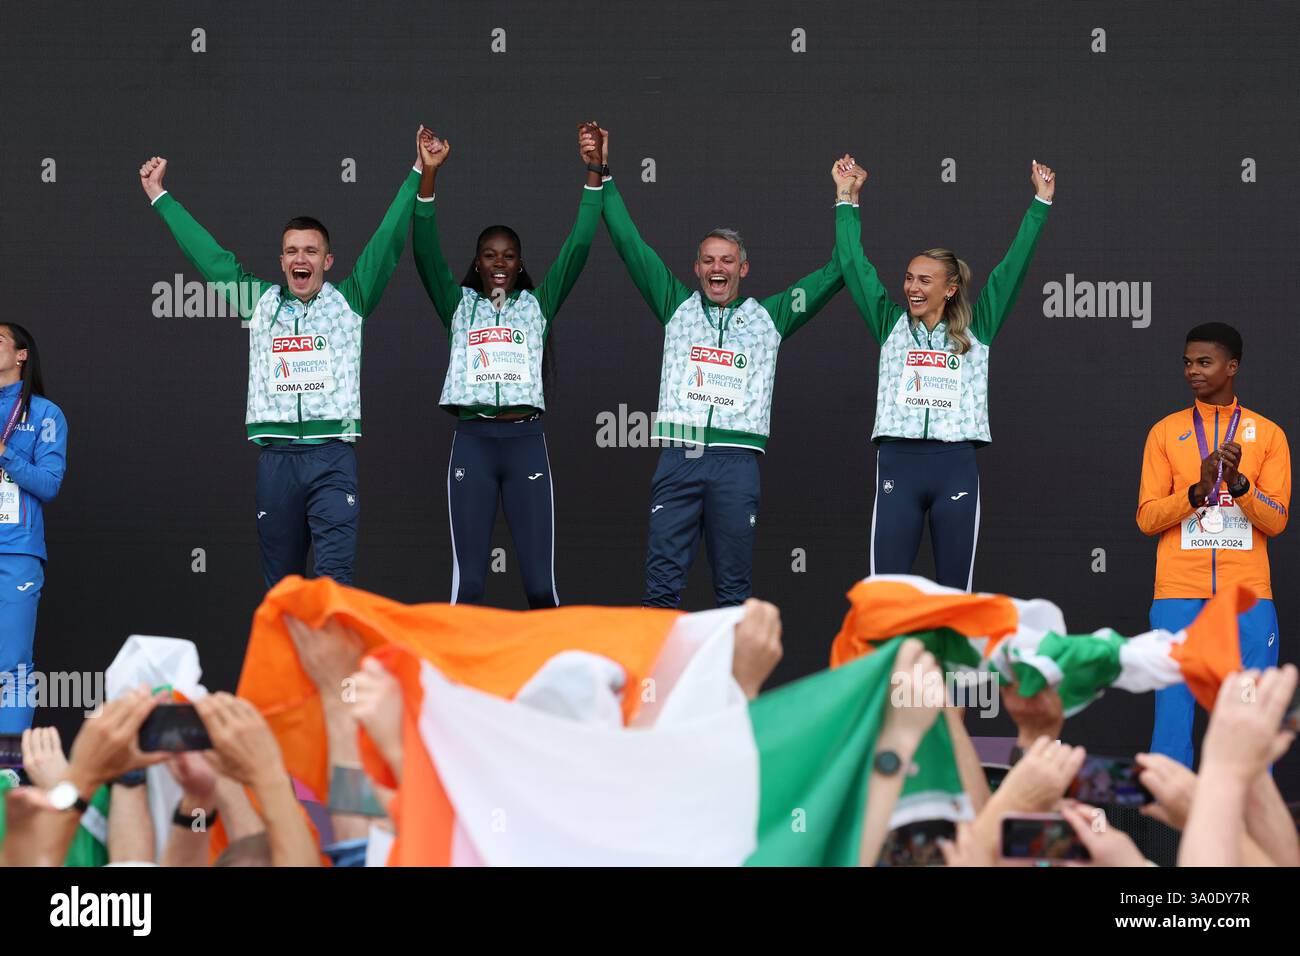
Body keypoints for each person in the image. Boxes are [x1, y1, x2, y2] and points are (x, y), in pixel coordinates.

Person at [138, 133, 424, 589]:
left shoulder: (351, 300)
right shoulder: (259, 302)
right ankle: (291, 663)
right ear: (281, 260)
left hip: (332, 457)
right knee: (282, 591)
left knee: (334, 585)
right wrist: (159, 195)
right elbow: (209, 257)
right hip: (276, 462)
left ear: (327, 260)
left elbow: (388, 239)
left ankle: (333, 663)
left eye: (311, 251)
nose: (300, 258)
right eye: (292, 251)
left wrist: (417, 171)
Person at [581, 124, 844, 608]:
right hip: (679, 458)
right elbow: (629, 243)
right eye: (708, 261)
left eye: (727, 260)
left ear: (744, 269)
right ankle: (659, 686)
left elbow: (837, 272)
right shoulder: (674, 305)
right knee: (660, 592)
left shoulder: (770, 318)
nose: (717, 268)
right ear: (696, 268)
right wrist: (602, 170)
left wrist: (845, 201)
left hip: (736, 463)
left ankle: (731, 688)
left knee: (733, 594)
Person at [833, 156, 1054, 591]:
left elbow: (1014, 267)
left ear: (949, 288)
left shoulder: (979, 327)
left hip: (955, 464)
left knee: (956, 594)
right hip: (899, 461)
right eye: (909, 279)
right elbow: (853, 264)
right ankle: (891, 663)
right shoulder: (889, 324)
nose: (913, 288)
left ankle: (951, 664)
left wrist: (1040, 203)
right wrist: (846, 199)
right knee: (887, 594)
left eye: (925, 281)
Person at [413, 126, 604, 607]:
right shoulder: (456, 305)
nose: (499, 263)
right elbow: (423, 247)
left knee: (541, 587)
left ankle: (552, 683)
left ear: (520, 266)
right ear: (477, 264)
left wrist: (594, 171)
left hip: (525, 445)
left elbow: (578, 247)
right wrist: (428, 175)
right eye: (489, 256)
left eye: (509, 256)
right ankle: (462, 679)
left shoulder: (537, 305)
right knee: (470, 585)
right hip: (472, 444)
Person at [1137, 322, 1290, 766]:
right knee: (1172, 711)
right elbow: (1147, 517)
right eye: (1187, 362)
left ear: (1232, 366)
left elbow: (1276, 520)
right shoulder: (1165, 432)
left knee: (1250, 714)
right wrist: (1195, 493)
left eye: (1204, 362)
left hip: (1247, 594)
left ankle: (1241, 822)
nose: (1193, 372)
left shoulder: (1269, 435)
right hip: (1178, 591)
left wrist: (1240, 485)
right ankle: (1168, 832)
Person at [0, 324, 67, 731]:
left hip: (16, 552)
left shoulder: (44, 414)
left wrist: (6, 454)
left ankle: (7, 771)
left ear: (21, 355)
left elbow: (49, 484)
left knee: (12, 664)